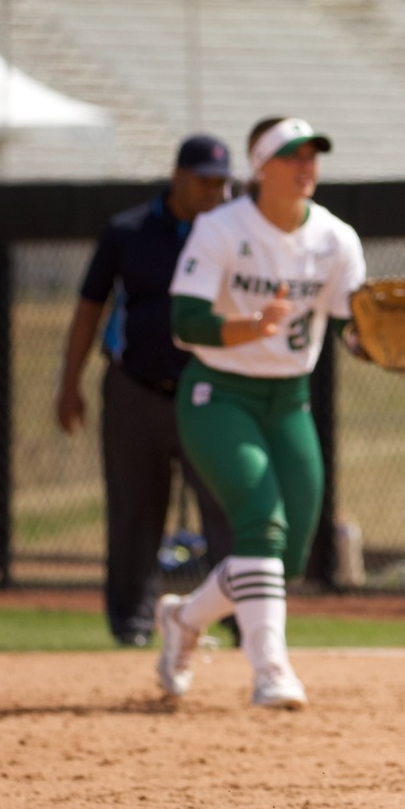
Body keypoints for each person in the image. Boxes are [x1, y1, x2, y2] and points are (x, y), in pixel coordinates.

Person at [152, 116, 367, 710]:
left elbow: (350, 324)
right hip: (219, 393)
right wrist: (252, 325)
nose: (306, 167)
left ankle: (183, 620)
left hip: (288, 398)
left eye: (313, 155)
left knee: (287, 550)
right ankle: (271, 669)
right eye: (292, 155)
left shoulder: (334, 237)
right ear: (261, 168)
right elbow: (185, 321)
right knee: (260, 523)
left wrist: (369, 342)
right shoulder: (221, 228)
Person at [58, 135, 237, 647]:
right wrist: (69, 386)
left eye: (221, 181)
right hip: (136, 391)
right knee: (134, 512)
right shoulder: (128, 231)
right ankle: (131, 625)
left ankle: (239, 618)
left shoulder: (230, 234)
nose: (213, 190)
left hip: (210, 392)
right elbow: (90, 307)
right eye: (203, 178)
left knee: (228, 509)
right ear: (177, 175)